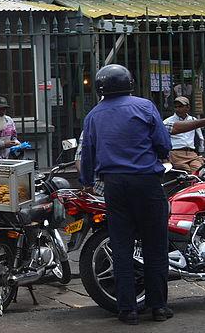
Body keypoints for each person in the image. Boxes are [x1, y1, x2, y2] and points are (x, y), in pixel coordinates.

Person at [80, 64, 172, 324]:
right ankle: (158, 307)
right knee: (155, 245)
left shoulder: (94, 115)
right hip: (147, 183)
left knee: (121, 246)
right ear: (129, 82)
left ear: (100, 87)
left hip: (115, 186)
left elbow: (88, 152)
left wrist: (86, 182)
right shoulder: (144, 106)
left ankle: (128, 310)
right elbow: (164, 144)